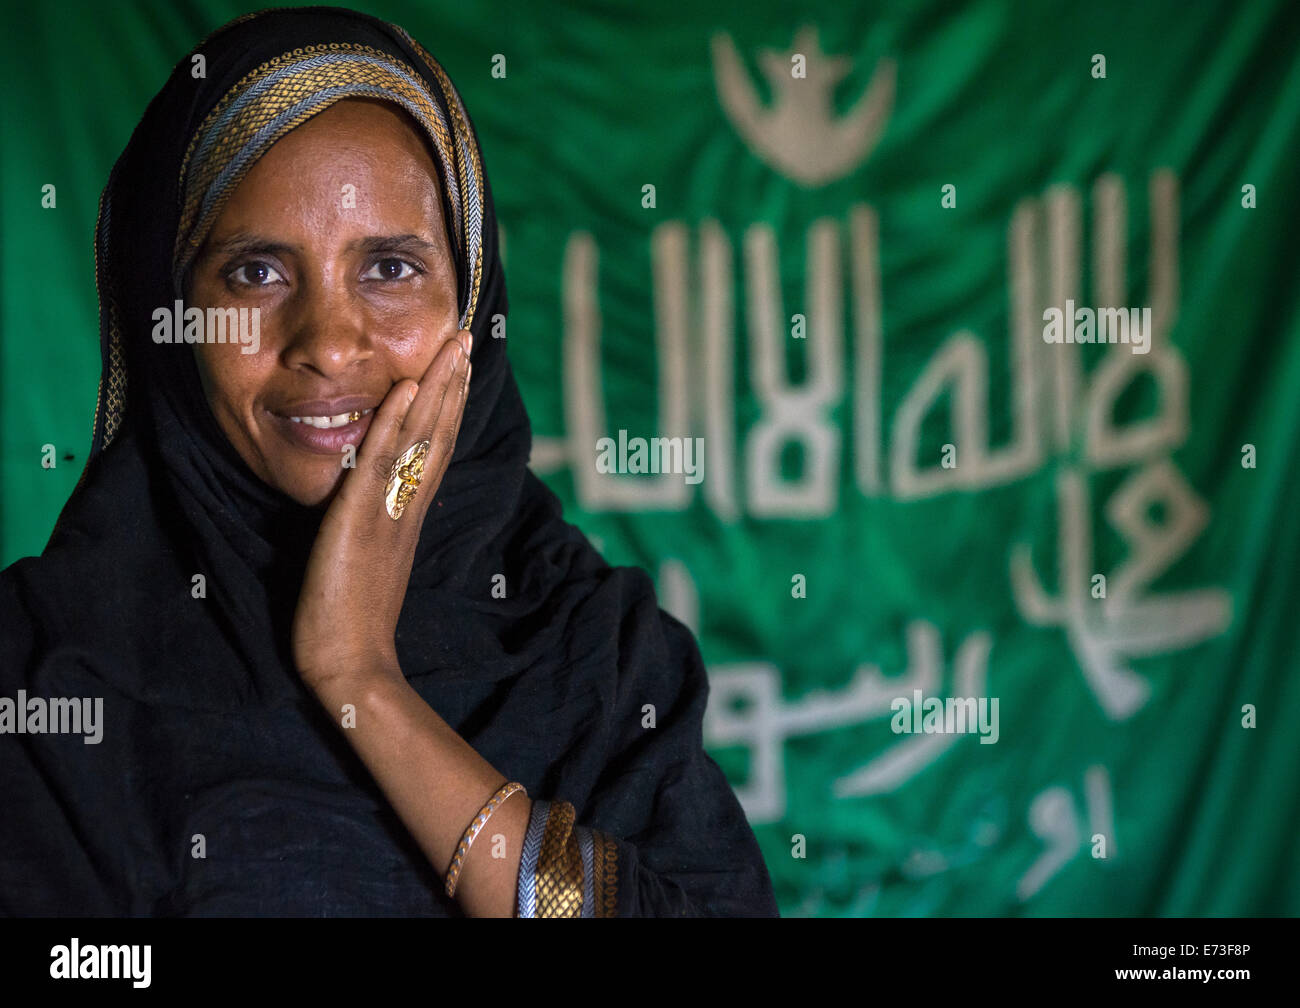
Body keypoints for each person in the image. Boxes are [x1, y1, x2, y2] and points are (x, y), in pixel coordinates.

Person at [0, 5, 778, 917]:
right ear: (170, 318)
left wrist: (360, 676)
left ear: (472, 298)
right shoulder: (49, 674)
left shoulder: (593, 649)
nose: (329, 345)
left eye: (391, 269)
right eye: (254, 273)